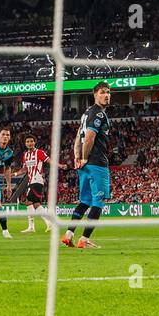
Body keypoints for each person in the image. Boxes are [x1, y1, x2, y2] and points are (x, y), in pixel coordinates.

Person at [64, 82, 113, 248]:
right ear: (95, 95)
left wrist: (77, 156)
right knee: (98, 202)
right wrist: (84, 157)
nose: (106, 95)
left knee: (84, 201)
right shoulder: (98, 114)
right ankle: (84, 240)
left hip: (85, 167)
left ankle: (68, 235)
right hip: (97, 163)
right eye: (102, 92)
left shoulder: (86, 113)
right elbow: (90, 136)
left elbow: (78, 136)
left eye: (108, 92)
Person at [19, 133, 49, 234]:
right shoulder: (25, 155)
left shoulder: (39, 152)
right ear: (25, 143)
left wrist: (60, 165)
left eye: (31, 141)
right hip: (31, 180)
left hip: (37, 180)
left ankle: (31, 227)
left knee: (28, 202)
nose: (29, 143)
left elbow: (48, 160)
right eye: (27, 141)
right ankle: (49, 224)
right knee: (36, 204)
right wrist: (14, 173)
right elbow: (24, 169)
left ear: (34, 142)